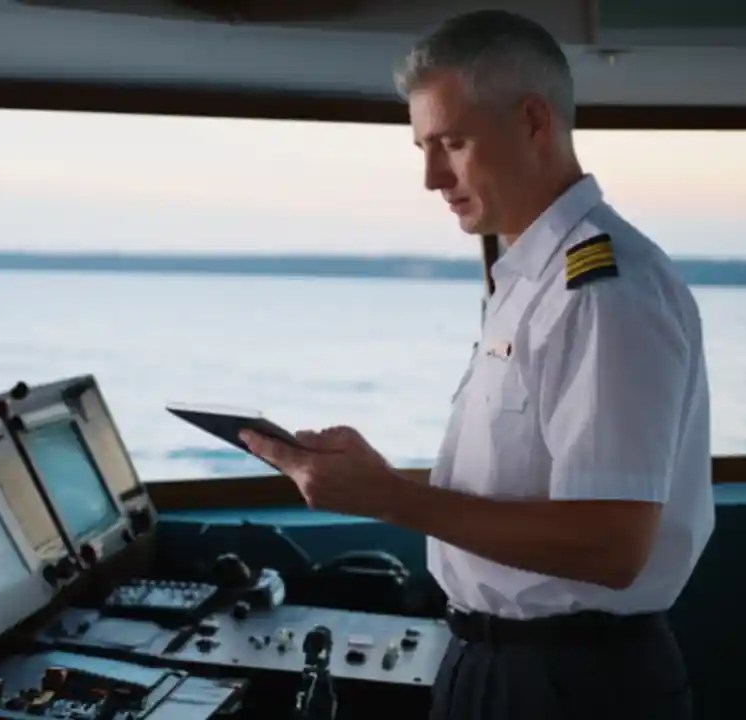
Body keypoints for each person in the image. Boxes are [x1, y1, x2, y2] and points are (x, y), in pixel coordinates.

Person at [240, 9, 714, 719]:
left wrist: (388, 499)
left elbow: (612, 545)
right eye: (423, 148)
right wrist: (387, 481)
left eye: (452, 143)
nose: (433, 176)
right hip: (497, 662)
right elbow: (520, 483)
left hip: (573, 685)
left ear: (532, 122)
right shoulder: (530, 280)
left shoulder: (603, 292)